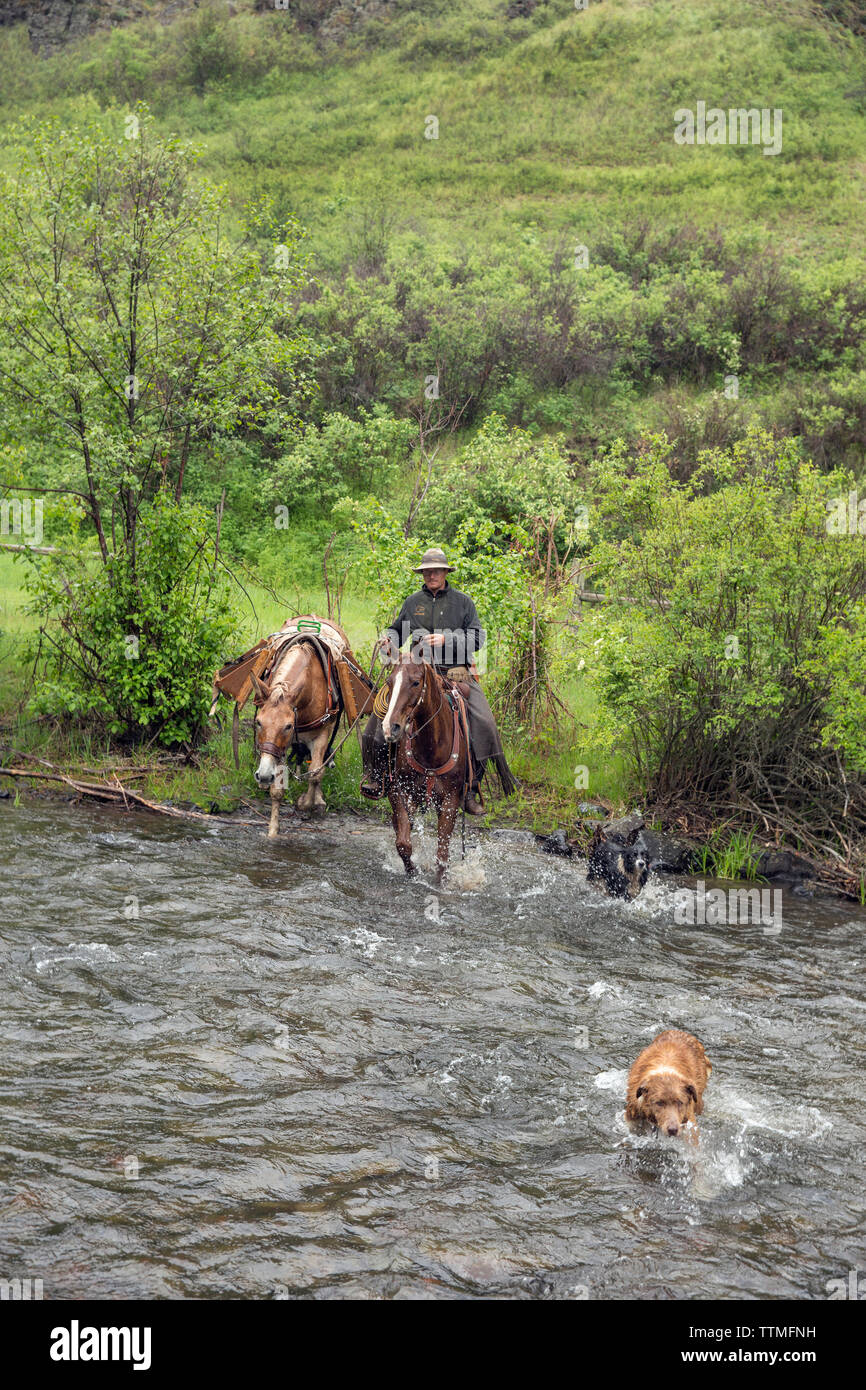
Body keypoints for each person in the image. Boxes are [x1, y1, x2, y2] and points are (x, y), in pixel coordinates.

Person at [360, 548, 517, 813]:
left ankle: (469, 788)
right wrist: (388, 641)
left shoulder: (463, 602)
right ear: (422, 574)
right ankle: (379, 777)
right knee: (378, 718)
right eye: (426, 571)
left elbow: (478, 639)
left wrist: (448, 639)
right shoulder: (412, 602)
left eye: (436, 570)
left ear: (445, 572)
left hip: (455, 671)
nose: (431, 575)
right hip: (418, 672)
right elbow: (396, 632)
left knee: (485, 723)